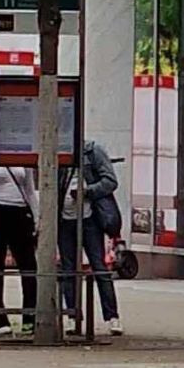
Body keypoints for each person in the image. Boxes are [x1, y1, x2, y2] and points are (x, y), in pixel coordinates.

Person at [58, 138, 123, 336]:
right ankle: (72, 315)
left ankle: (112, 317)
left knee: (99, 267)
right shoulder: (58, 151)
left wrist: (87, 192)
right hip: (64, 219)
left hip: (90, 218)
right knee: (68, 268)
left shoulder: (92, 151)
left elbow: (110, 181)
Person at [0, 160, 39, 337]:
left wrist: (36, 217)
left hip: (20, 212)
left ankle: (30, 318)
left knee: (28, 267)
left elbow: (30, 190)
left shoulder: (23, 157)